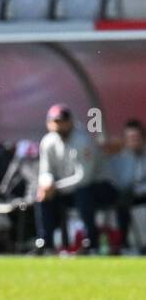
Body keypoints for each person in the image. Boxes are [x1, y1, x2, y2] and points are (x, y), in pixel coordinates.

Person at [34, 104, 113, 253]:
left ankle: (91, 242)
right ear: (49, 124)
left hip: (101, 187)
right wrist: (47, 185)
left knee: (84, 193)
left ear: (70, 121)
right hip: (69, 189)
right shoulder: (47, 142)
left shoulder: (82, 140)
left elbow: (85, 178)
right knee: (43, 196)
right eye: (56, 121)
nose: (60, 125)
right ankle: (46, 243)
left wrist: (56, 187)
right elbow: (45, 171)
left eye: (63, 121)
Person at [103, 118, 146, 252]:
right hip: (130, 195)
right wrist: (130, 157)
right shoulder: (119, 158)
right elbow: (122, 183)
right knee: (122, 201)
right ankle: (123, 242)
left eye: (136, 137)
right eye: (130, 138)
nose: (134, 141)